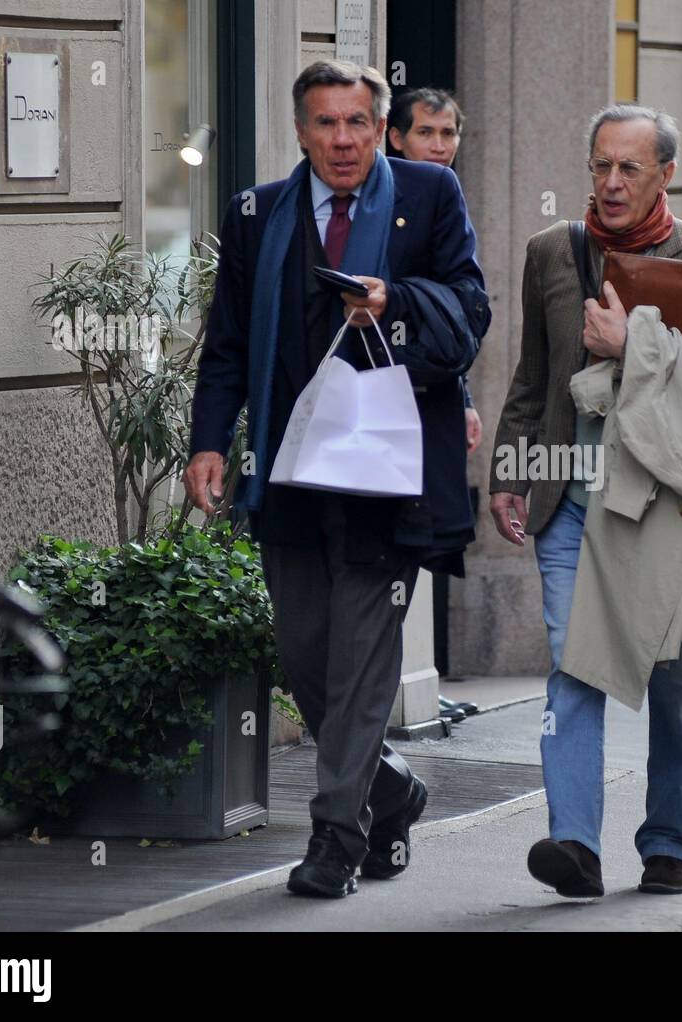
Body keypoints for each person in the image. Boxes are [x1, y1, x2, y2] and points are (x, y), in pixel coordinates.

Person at [185, 60, 490, 899]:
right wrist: (210, 443)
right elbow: (227, 346)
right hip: (289, 469)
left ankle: (336, 836)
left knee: (361, 663)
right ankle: (392, 790)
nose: (344, 140)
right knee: (304, 657)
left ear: (378, 125)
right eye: (326, 124)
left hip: (387, 474)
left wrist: (398, 303)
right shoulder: (256, 214)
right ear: (301, 131)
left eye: (358, 122)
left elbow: (470, 313)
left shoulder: (429, 197)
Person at [488, 104, 682, 898]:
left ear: (665, 174)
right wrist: (509, 470)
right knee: (574, 669)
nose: (608, 184)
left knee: (673, 677)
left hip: (666, 503)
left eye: (627, 169)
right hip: (570, 499)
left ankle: (669, 840)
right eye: (599, 165)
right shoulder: (552, 254)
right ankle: (573, 843)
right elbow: (532, 377)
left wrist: (631, 346)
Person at [388, 85, 481, 724]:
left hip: (431, 408)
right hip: (379, 407)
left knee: (416, 547)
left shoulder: (443, 198)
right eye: (427, 133)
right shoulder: (382, 200)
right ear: (395, 137)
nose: (440, 147)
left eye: (449, 135)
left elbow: (458, 313)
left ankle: (413, 683)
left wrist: (465, 397)